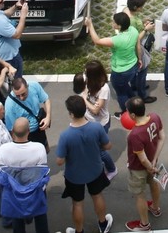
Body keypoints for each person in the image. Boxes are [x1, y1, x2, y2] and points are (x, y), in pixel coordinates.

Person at [56, 94, 113, 233]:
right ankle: (103, 224)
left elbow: (59, 161)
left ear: (71, 114)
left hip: (74, 175)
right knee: (97, 195)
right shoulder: (96, 128)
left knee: (77, 204)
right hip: (95, 170)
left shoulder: (65, 136)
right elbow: (108, 146)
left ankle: (79, 231)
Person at [0, 117, 51, 233]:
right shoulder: (39, 148)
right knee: (40, 218)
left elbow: (1, 175)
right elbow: (42, 173)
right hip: (35, 191)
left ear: (12, 131)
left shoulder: (3, 150)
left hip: (14, 192)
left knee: (17, 219)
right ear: (29, 131)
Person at [87, 12, 143, 113]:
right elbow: (138, 46)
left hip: (120, 71)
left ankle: (126, 112)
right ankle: (134, 101)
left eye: (114, 22)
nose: (112, 23)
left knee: (121, 93)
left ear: (119, 26)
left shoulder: (117, 40)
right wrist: (140, 59)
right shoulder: (134, 30)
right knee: (125, 85)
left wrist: (90, 25)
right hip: (133, 65)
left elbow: (97, 41)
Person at [125, 96, 165, 231]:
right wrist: (154, 161)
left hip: (138, 168)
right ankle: (155, 207)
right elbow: (162, 137)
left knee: (140, 194)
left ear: (132, 115)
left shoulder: (135, 135)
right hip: (153, 162)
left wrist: (149, 167)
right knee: (154, 184)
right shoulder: (155, 117)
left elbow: (142, 159)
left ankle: (144, 224)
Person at [5, 76, 53, 148]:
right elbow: (11, 129)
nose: (21, 98)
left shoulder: (34, 86)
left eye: (23, 94)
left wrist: (48, 117)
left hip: (39, 127)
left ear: (27, 87)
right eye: (17, 96)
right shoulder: (9, 104)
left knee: (45, 149)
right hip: (25, 136)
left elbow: (46, 100)